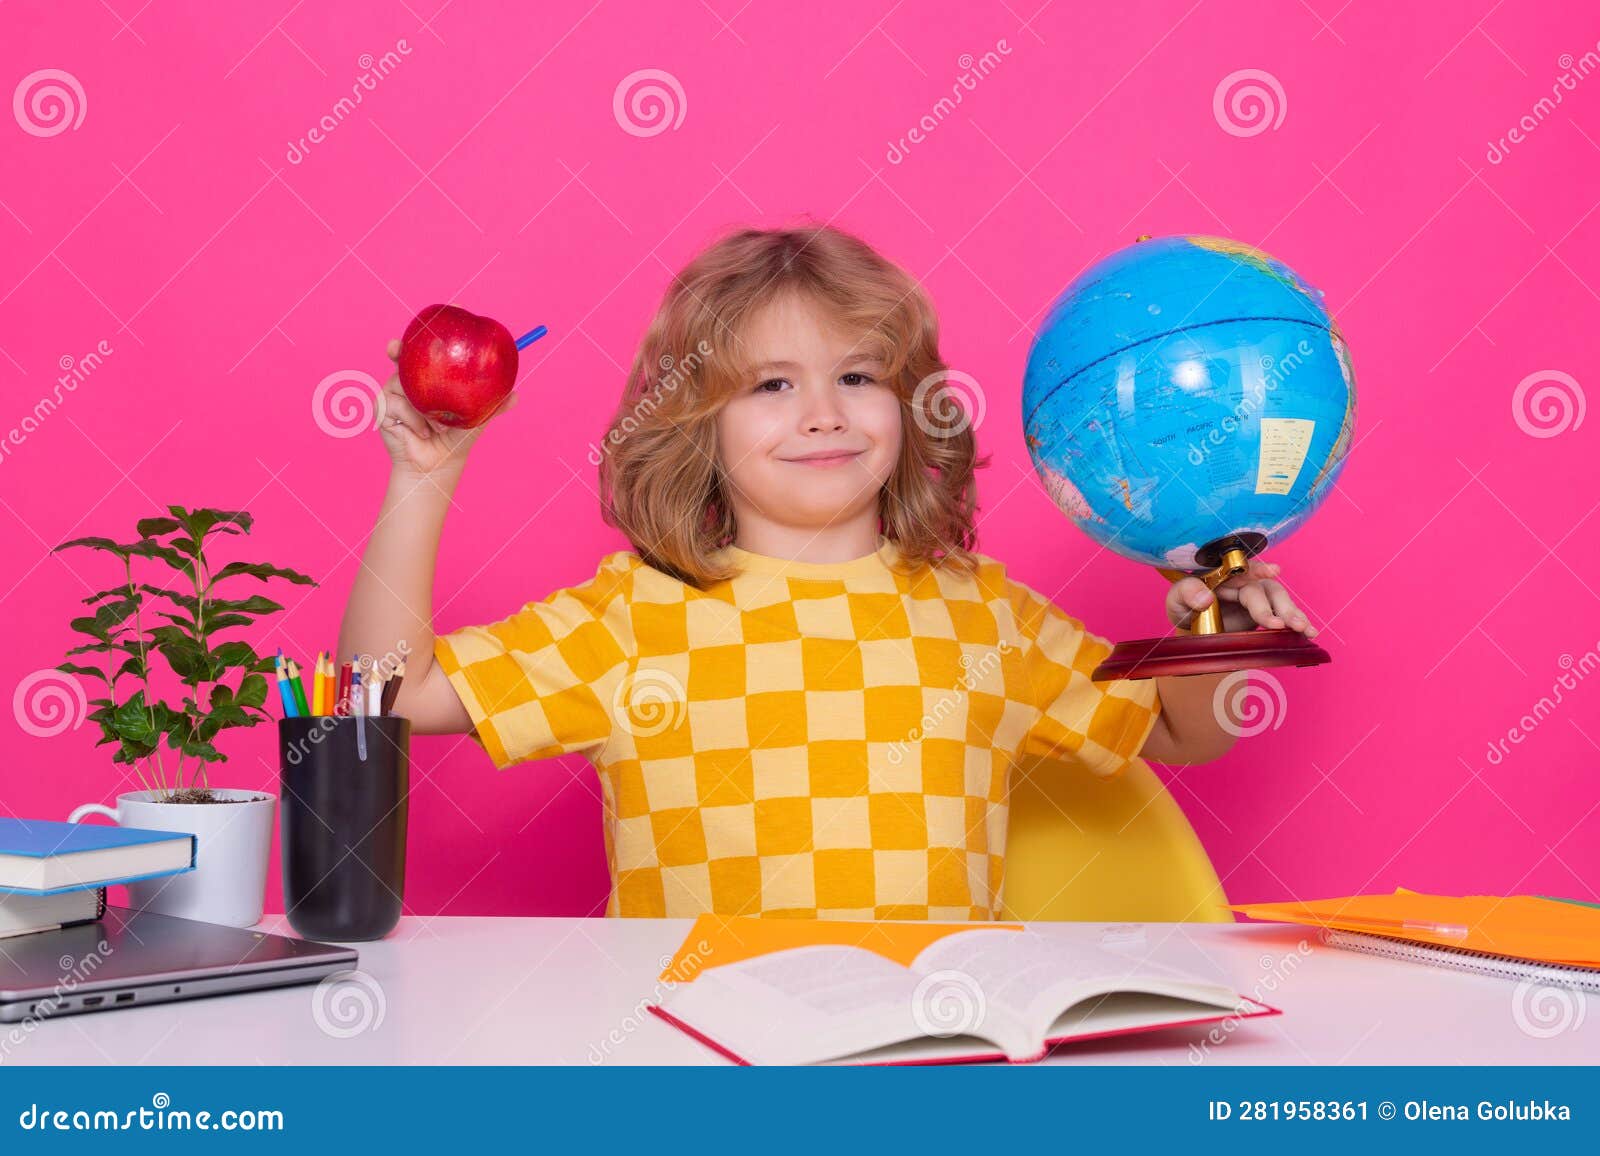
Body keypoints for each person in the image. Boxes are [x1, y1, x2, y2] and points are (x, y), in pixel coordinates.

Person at [339, 223, 1317, 919]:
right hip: (695, 1070)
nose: (823, 413)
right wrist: (423, 477)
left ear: (909, 404)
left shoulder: (986, 616)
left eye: (857, 376)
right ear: (697, 424)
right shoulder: (632, 616)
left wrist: (1217, 632)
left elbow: (1184, 735)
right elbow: (386, 694)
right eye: (771, 385)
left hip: (932, 1065)